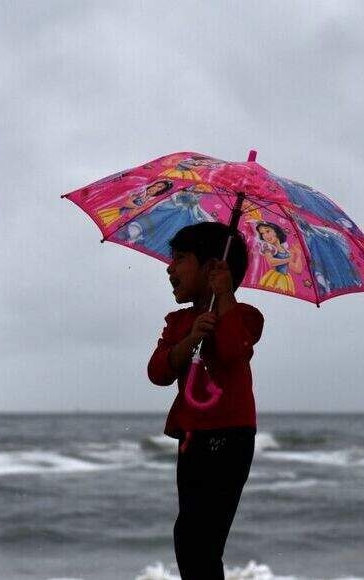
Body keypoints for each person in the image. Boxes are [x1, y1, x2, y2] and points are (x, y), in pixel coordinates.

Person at [146, 222, 264, 579]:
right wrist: (189, 340)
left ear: (213, 268)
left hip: (230, 436)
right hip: (192, 439)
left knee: (201, 538)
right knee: (188, 536)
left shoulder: (243, 316)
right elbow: (158, 372)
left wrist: (224, 295)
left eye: (180, 259)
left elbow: (233, 350)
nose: (170, 267)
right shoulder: (179, 321)